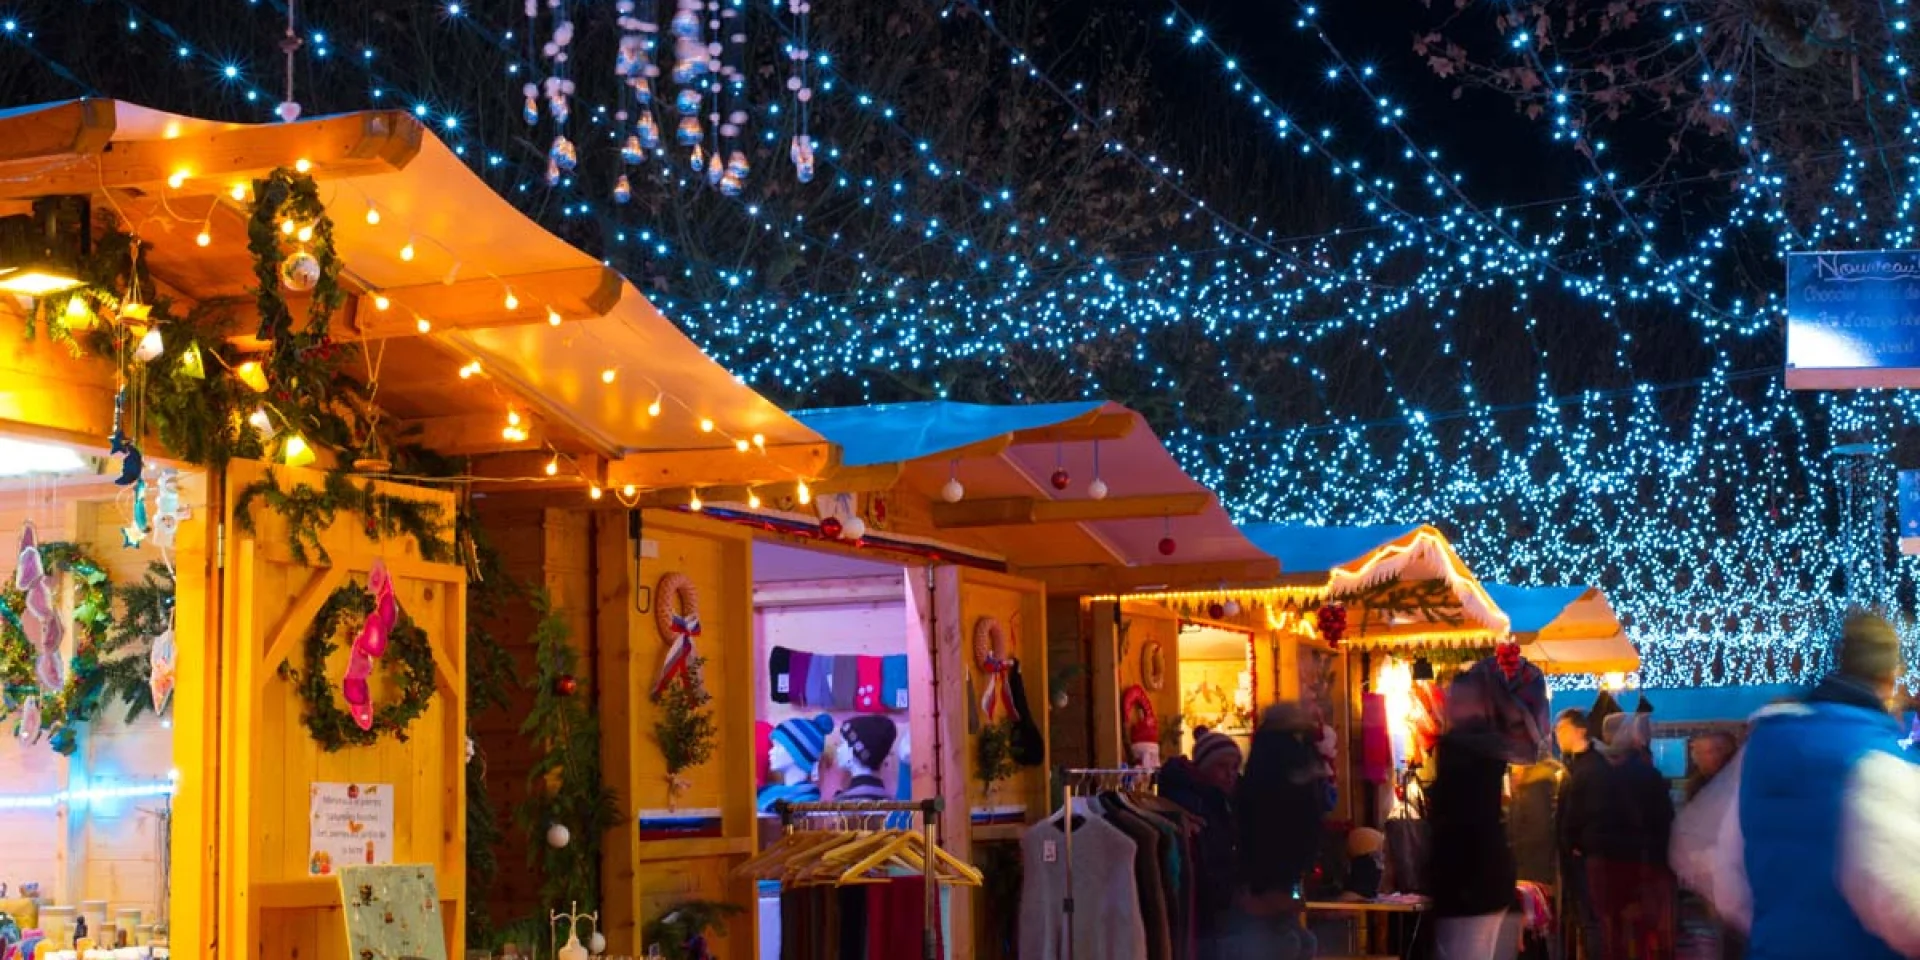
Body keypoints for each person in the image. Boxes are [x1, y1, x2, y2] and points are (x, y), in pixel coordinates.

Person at [1741, 612, 1920, 960]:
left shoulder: (1766, 742)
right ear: (1889, 676)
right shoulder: (1879, 756)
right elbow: (1902, 905)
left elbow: (1717, 866)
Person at [1427, 671, 1522, 960]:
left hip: (1468, 886)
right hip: (1483, 883)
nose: (1447, 706)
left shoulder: (1464, 747)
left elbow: (1461, 821)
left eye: (1455, 699)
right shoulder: (1485, 744)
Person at [1227, 702, 1323, 959]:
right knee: (1288, 939)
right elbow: (1306, 816)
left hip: (1265, 869)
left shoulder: (1265, 756)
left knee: (1287, 939)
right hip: (1279, 869)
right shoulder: (1294, 755)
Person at [1583, 711, 1675, 960]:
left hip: (1604, 859)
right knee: (1642, 930)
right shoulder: (1645, 773)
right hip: (1640, 861)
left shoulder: (1595, 769)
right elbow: (1662, 821)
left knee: (1612, 929)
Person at [1160, 728, 1242, 960]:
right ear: (1203, 766)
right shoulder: (1189, 804)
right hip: (1200, 919)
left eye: (1235, 767)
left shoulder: (1222, 802)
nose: (1230, 775)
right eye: (1222, 767)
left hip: (1218, 916)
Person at [1555, 707, 1607, 959]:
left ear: (1580, 730)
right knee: (1584, 916)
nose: (1557, 735)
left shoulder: (1592, 768)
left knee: (1590, 918)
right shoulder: (1575, 765)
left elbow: (1593, 811)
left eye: (1562, 729)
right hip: (1577, 854)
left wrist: (1579, 844)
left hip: (1586, 855)